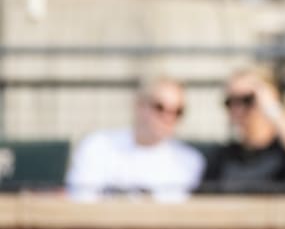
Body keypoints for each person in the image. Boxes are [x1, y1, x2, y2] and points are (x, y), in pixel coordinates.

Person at [65, 76, 204, 202]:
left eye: (178, 111)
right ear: (139, 105)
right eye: (159, 107)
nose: (168, 117)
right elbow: (80, 201)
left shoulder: (188, 161)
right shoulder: (96, 146)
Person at [198, 67, 285, 194]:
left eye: (247, 99)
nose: (237, 108)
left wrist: (272, 107)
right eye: (230, 101)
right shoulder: (222, 157)